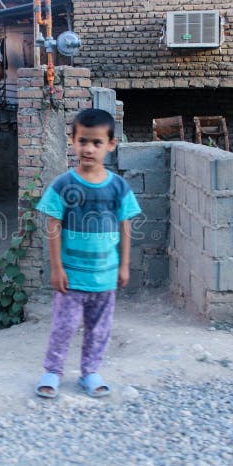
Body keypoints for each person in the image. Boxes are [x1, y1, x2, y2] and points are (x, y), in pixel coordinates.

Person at [33, 109, 142, 398]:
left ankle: (90, 372)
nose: (89, 149)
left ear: (111, 144)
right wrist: (57, 268)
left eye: (96, 142)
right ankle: (52, 371)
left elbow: (125, 225)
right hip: (71, 276)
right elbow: (53, 224)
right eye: (83, 141)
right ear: (72, 141)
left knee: (99, 329)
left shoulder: (118, 187)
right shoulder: (64, 185)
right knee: (64, 326)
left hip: (105, 277)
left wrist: (124, 266)